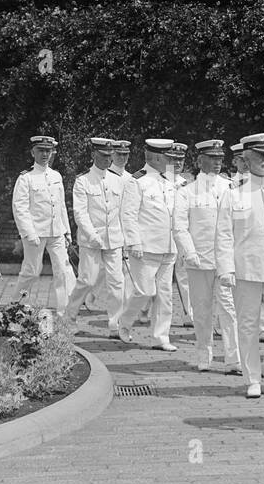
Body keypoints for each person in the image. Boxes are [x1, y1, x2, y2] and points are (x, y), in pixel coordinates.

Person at [216, 133, 264, 397]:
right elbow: (224, 235)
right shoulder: (234, 195)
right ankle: (252, 378)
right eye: (261, 155)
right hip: (246, 268)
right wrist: (225, 269)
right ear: (247, 160)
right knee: (247, 325)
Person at [175, 139, 240, 373]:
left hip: (225, 262)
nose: (217, 163)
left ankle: (234, 359)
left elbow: (238, 225)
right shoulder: (187, 191)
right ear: (200, 160)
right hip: (199, 260)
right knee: (201, 311)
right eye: (212, 158)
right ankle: (204, 354)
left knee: (230, 310)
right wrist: (189, 252)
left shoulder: (231, 188)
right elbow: (180, 226)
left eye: (220, 158)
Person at [120, 137, 180, 350]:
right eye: (167, 157)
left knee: (165, 295)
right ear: (155, 157)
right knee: (145, 292)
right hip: (145, 247)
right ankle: (124, 321)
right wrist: (133, 242)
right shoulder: (137, 181)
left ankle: (161, 337)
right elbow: (128, 214)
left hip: (169, 246)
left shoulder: (171, 180)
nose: (171, 161)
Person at [67, 136, 126, 333]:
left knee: (117, 282)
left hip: (114, 239)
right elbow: (80, 213)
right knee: (87, 280)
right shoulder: (83, 180)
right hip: (91, 240)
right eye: (102, 155)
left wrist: (126, 238)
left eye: (110, 156)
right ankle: (70, 315)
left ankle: (115, 323)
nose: (107, 160)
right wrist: (93, 236)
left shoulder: (117, 180)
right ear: (93, 155)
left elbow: (123, 211)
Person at [12, 135, 74, 313]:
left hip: (56, 232)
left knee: (63, 270)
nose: (45, 154)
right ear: (33, 152)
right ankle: (17, 305)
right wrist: (29, 233)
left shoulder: (56, 176)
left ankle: (65, 310)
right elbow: (20, 208)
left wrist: (66, 231)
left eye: (48, 150)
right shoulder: (26, 178)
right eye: (41, 150)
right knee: (31, 271)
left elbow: (60, 205)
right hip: (36, 233)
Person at [167, 142, 195, 328]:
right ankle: (144, 309)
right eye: (174, 159)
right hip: (162, 235)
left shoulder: (188, 183)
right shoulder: (158, 181)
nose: (178, 163)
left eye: (181, 160)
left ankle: (189, 314)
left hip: (181, 235)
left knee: (184, 276)